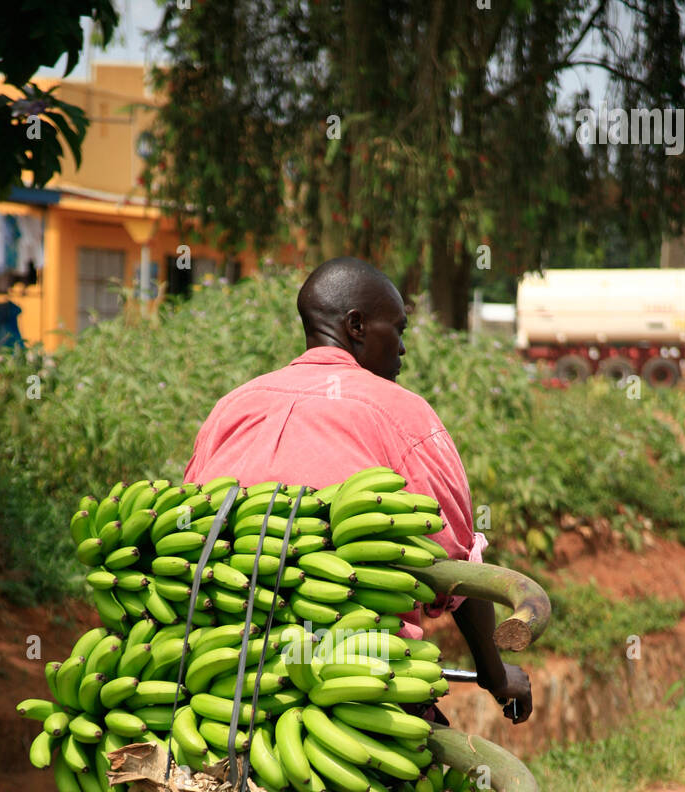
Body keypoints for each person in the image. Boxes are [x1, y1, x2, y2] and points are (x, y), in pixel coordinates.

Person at [184, 256, 532, 724]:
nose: (403, 349)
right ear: (356, 326)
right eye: (398, 329)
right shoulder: (400, 412)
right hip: (364, 674)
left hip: (222, 666)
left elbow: (193, 529)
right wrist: (495, 675)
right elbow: (458, 570)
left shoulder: (232, 407)